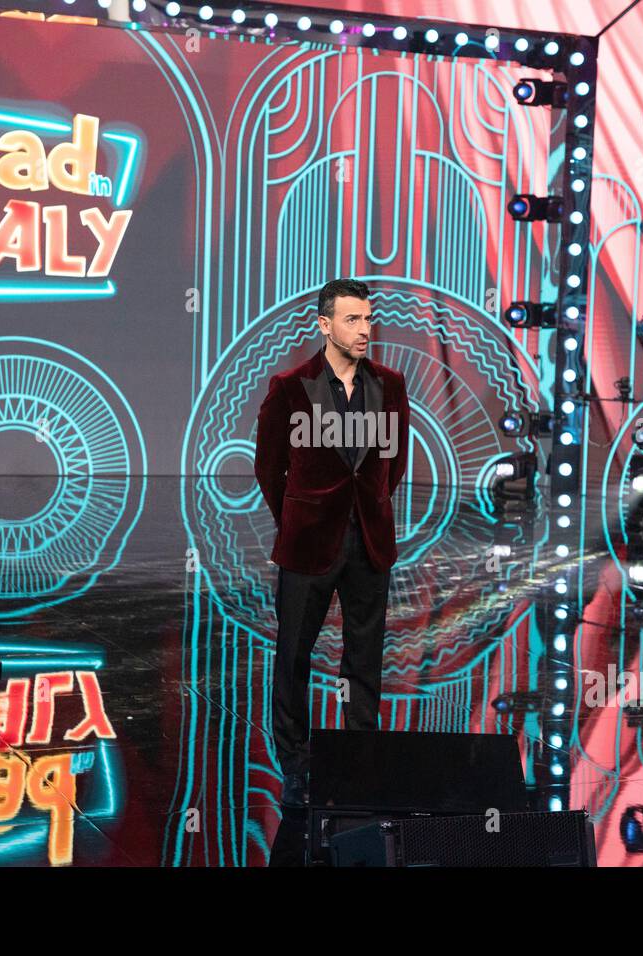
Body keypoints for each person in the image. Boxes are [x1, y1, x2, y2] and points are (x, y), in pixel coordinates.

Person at [254, 278, 410, 807]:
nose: (364, 329)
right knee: (294, 653)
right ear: (325, 325)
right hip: (308, 544)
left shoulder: (390, 384)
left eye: (368, 319)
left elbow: (394, 463)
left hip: (369, 540)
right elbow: (268, 467)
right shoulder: (291, 387)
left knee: (364, 654)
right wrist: (299, 517)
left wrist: (369, 508)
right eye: (352, 320)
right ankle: (294, 758)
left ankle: (361, 751)